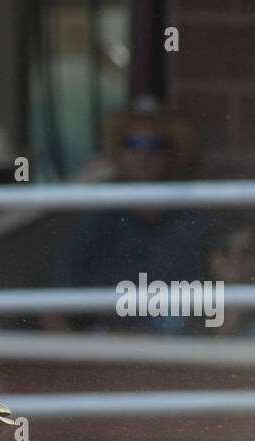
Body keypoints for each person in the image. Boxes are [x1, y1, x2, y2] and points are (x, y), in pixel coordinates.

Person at [41, 97, 211, 332]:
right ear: (117, 155)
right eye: (131, 143)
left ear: (172, 155)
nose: (143, 154)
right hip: (106, 349)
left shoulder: (193, 220)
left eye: (156, 144)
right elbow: (51, 306)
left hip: (175, 352)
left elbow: (217, 308)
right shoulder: (99, 216)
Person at [152, 217, 255, 338]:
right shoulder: (181, 310)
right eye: (225, 249)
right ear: (208, 256)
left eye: (248, 250)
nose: (235, 259)